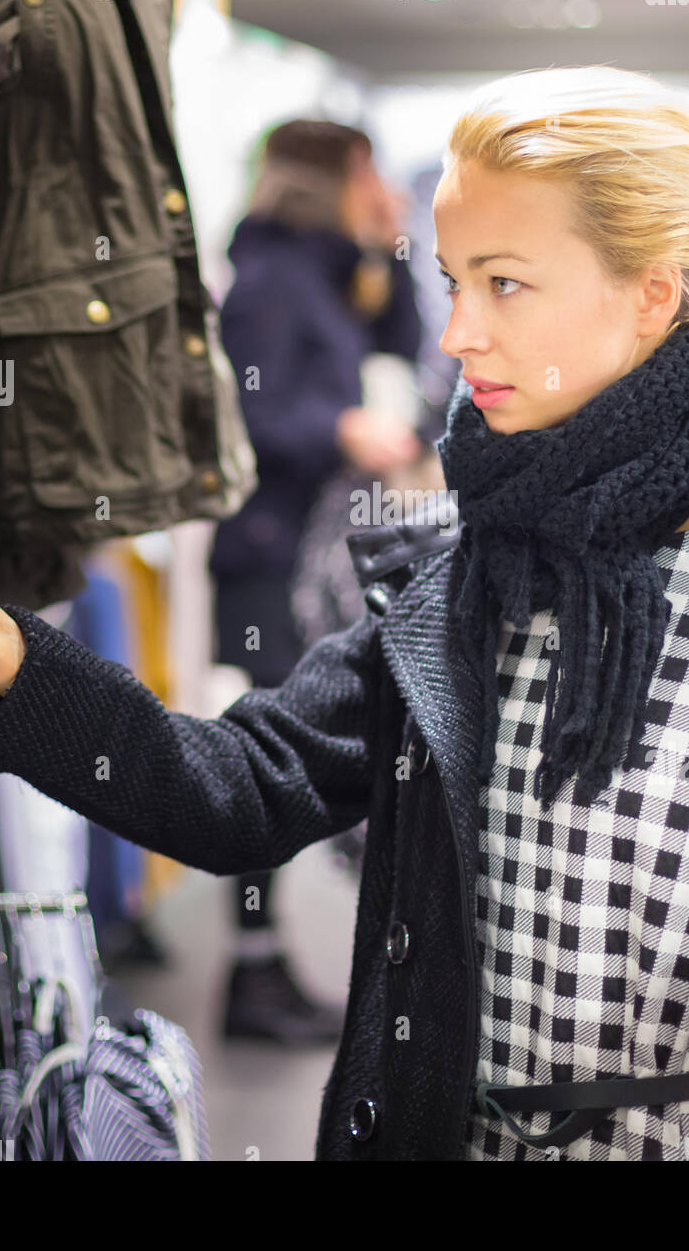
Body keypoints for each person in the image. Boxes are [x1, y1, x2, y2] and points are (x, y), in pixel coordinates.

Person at [0, 65, 689, 1161]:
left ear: (649, 291)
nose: (455, 334)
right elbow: (245, 788)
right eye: (451, 280)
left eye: (504, 283)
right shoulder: (461, 568)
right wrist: (25, 674)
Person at [208, 119, 424, 1043]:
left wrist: (393, 241)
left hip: (313, 556)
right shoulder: (267, 278)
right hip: (271, 559)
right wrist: (336, 428)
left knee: (304, 750)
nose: (375, 186)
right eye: (364, 171)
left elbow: (406, 338)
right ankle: (252, 976)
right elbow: (245, 412)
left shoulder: (334, 268)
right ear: (326, 175)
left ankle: (270, 972)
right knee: (270, 760)